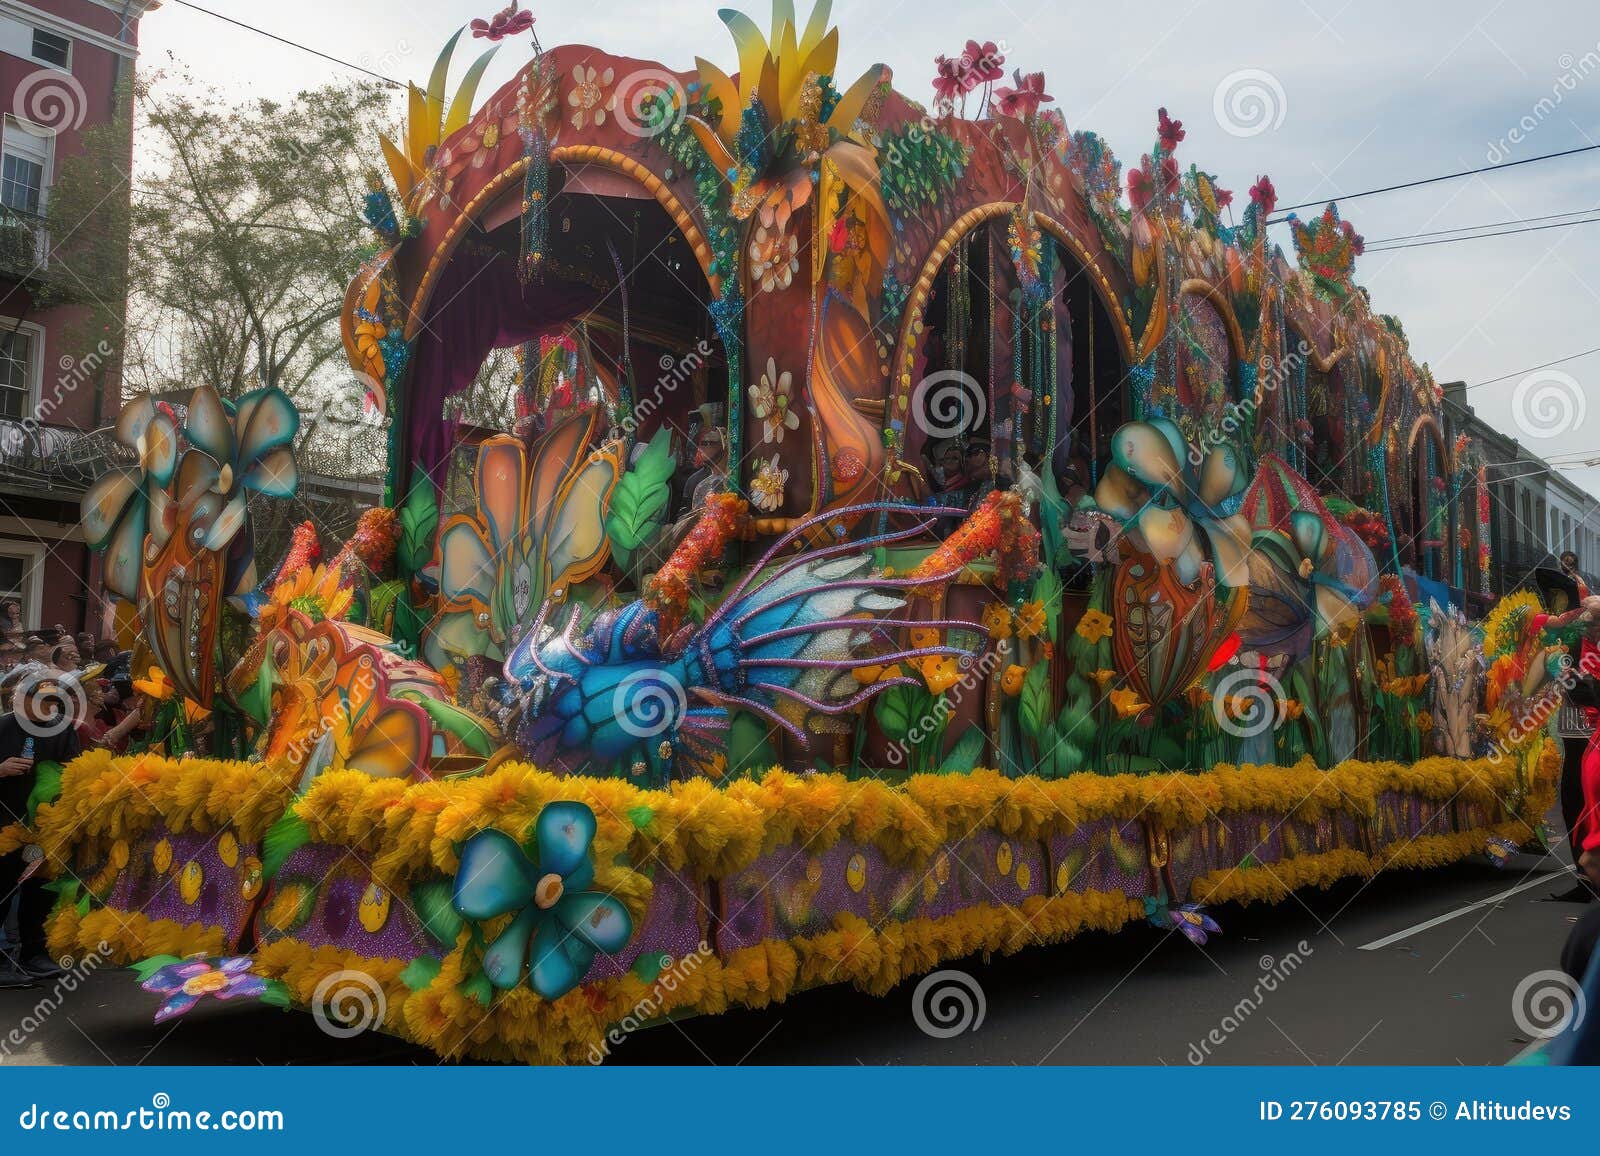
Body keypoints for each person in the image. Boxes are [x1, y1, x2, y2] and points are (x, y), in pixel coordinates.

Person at [0, 662, 83, 988]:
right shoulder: (3, 727)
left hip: (45, 828)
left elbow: (74, 772)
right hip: (4, 824)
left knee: (39, 893)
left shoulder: (62, 730)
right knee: (2, 889)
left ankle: (34, 954)